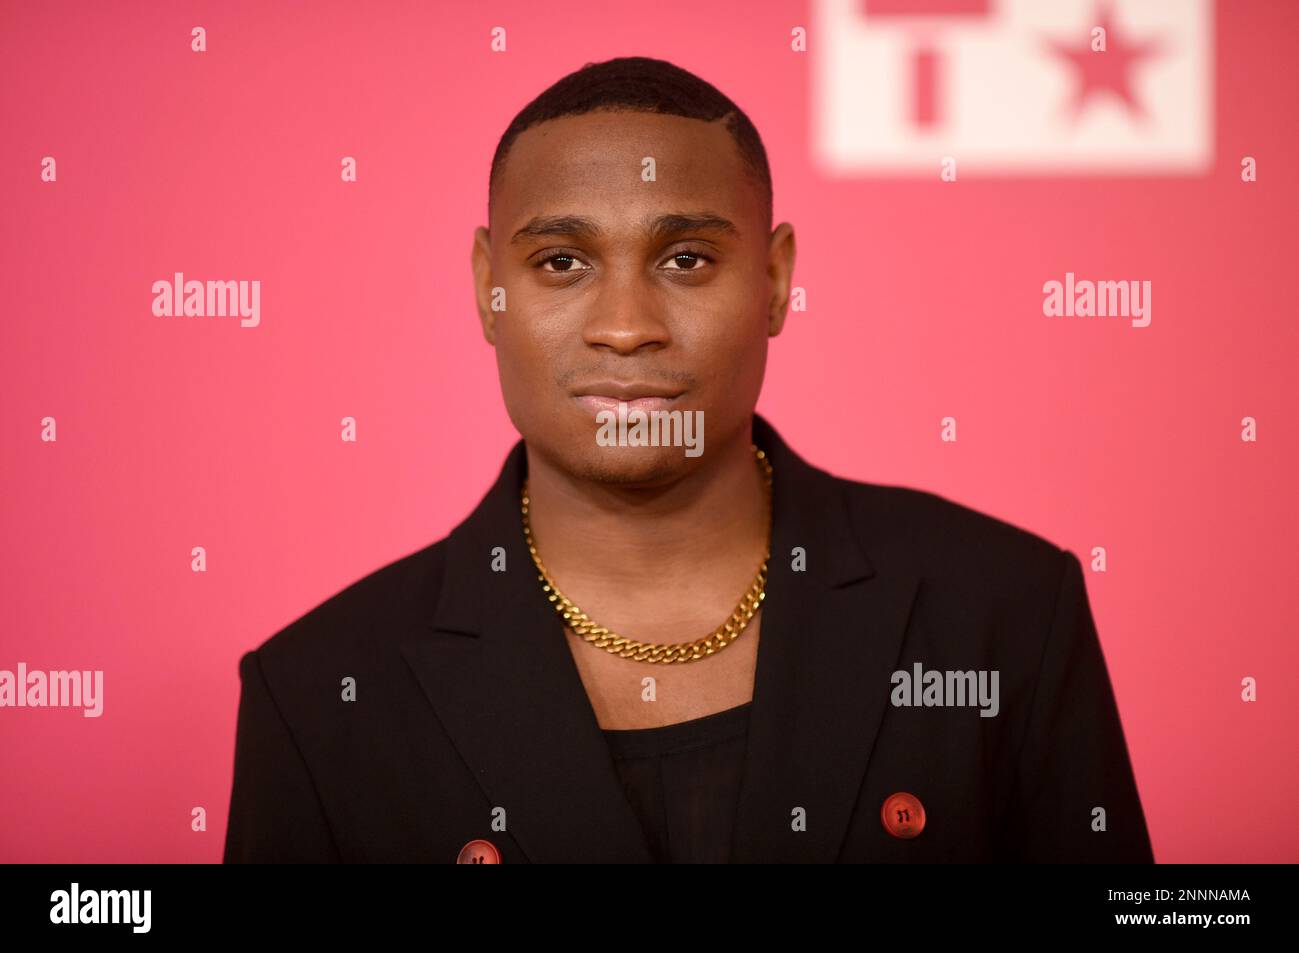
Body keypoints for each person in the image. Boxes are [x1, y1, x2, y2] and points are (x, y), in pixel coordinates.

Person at [223, 55, 1153, 863]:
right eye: (560, 263)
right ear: (487, 290)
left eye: (688, 259)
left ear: (777, 280)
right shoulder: (319, 695)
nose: (626, 327)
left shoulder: (1005, 608)